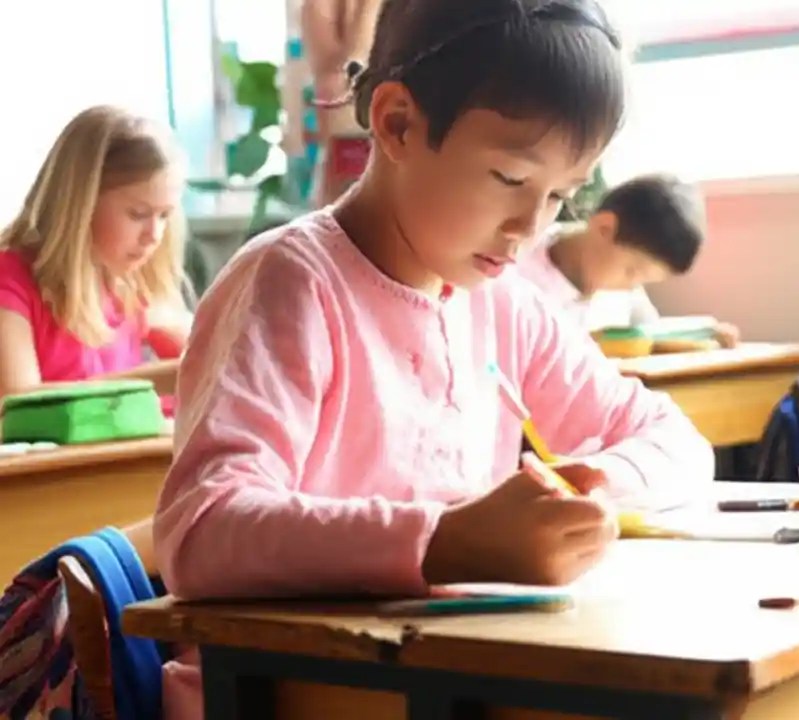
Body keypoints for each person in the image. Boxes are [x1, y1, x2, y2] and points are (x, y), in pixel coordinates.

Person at [152, 1, 713, 716]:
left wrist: (591, 483)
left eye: (561, 197)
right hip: (283, 692)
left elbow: (678, 444)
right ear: (396, 123)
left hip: (441, 680)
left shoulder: (497, 297)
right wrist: (444, 543)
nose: (528, 228)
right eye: (510, 179)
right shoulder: (293, 282)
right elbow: (203, 532)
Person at [0, 106, 191, 399]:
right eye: (138, 214)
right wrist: (157, 380)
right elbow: (17, 404)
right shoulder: (11, 280)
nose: (154, 235)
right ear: (81, 206)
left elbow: (215, 367)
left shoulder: (134, 288)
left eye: (165, 216)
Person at [516, 173, 738, 345]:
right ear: (604, 228)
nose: (632, 287)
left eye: (643, 280)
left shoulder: (624, 294)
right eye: (632, 271)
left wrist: (704, 334)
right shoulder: (519, 267)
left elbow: (650, 334)